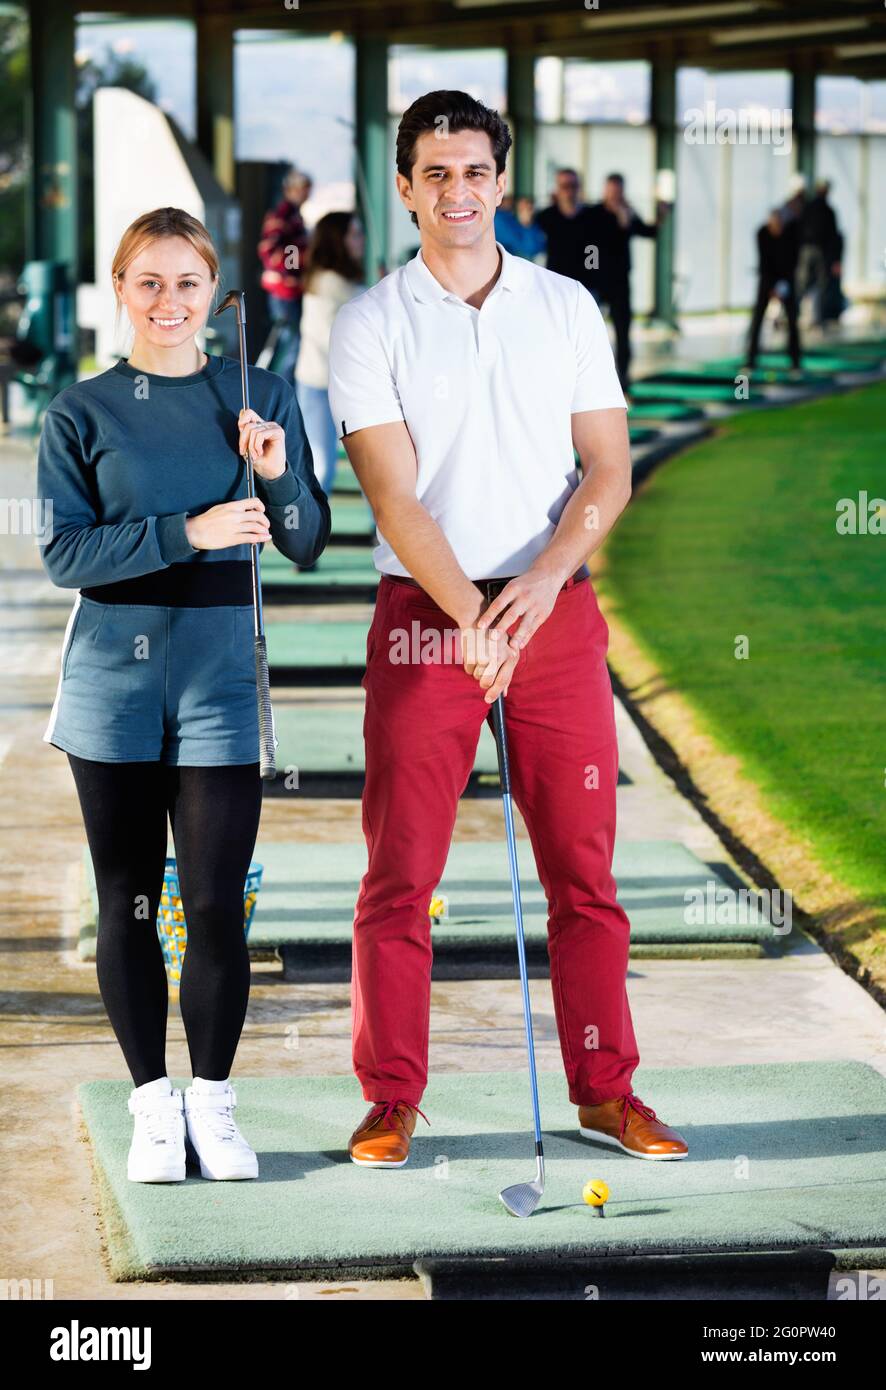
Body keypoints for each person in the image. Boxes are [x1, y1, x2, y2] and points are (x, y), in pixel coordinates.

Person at [328, 90, 688, 1169]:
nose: (457, 191)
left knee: (585, 875)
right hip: (422, 622)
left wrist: (533, 589)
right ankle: (391, 1097)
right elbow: (393, 498)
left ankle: (605, 1090)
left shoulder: (565, 309)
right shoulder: (369, 323)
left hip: (552, 610)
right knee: (399, 875)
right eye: (434, 173)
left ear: (501, 181)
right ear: (405, 188)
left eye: (474, 171)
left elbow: (609, 469)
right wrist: (470, 618)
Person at [37, 207, 331, 1184]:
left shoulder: (262, 394)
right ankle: (152, 1107)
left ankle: (213, 1103)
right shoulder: (81, 410)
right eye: (148, 282)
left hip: (220, 684)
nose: (169, 302)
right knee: (125, 900)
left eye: (188, 283)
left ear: (216, 292)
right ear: (119, 289)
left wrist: (279, 474)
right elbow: (64, 552)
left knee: (211, 902)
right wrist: (190, 530)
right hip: (111, 687)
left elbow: (303, 540)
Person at [295, 211, 366, 496]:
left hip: (347, 389)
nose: (361, 240)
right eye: (354, 234)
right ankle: (306, 536)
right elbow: (330, 338)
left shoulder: (348, 282)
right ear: (338, 241)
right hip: (320, 387)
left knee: (373, 467)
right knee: (321, 466)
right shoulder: (326, 282)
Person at [258, 167, 312, 382]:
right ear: (290, 190)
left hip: (291, 291)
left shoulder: (294, 214)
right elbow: (269, 249)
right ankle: (281, 388)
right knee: (290, 344)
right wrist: (295, 266)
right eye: (302, 189)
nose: (306, 194)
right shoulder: (282, 214)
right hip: (284, 292)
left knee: (291, 342)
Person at [745, 207, 802, 372]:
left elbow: (793, 261)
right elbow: (764, 262)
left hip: (786, 278)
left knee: (792, 319)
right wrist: (770, 287)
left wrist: (782, 286)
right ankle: (751, 359)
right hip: (767, 278)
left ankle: (795, 360)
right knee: (757, 319)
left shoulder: (791, 235)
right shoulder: (762, 234)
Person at [796, 179, 843, 329]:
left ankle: (816, 318)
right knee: (806, 284)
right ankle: (800, 316)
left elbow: (833, 236)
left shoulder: (824, 210)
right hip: (812, 250)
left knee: (815, 285)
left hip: (817, 251)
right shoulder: (815, 209)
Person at [493, 194, 546, 260]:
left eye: (529, 208)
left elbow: (536, 248)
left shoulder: (533, 224)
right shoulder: (499, 219)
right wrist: (526, 223)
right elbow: (527, 248)